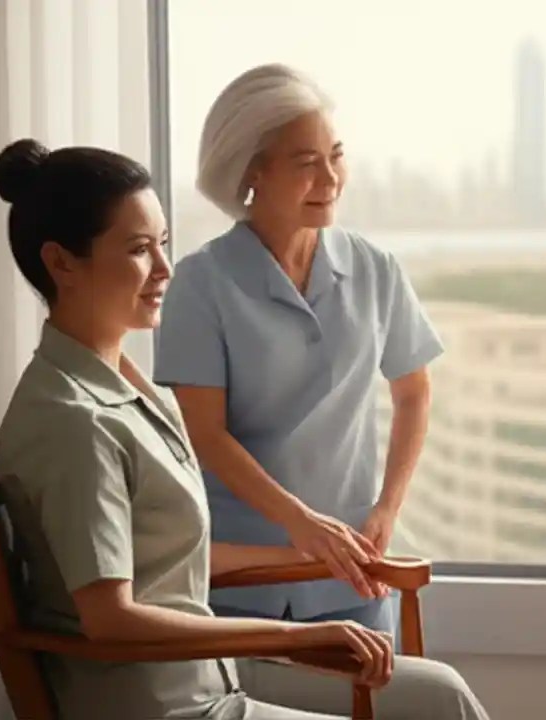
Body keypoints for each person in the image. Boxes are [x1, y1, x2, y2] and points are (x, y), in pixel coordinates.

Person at [0, 138, 487, 720]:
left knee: (442, 694)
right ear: (61, 262)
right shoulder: (72, 420)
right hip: (166, 703)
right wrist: (293, 637)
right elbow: (109, 617)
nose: (164, 269)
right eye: (139, 249)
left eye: (164, 245)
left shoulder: (124, 388)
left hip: (211, 672)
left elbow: (172, 558)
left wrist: (325, 552)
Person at [154, 63, 442, 644]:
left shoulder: (375, 270)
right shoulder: (200, 284)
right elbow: (205, 436)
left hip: (354, 574)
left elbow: (413, 391)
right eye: (306, 163)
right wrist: (300, 524)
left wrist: (386, 509)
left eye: (336, 155)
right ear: (250, 171)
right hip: (243, 580)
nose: (331, 178)